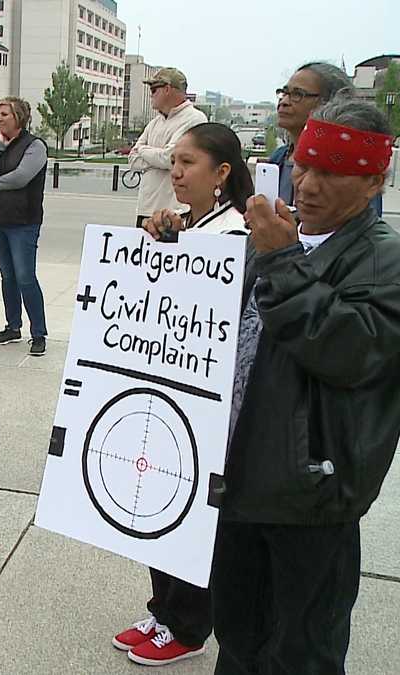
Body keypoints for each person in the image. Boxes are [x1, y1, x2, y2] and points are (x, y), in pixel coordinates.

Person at [212, 98, 399, 675]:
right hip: (240, 476)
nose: (309, 185)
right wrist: (172, 245)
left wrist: (284, 261)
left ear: (373, 182)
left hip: (312, 490)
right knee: (239, 632)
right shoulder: (275, 235)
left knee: (303, 649)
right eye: (303, 166)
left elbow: (348, 352)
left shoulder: (384, 260)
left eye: (331, 173)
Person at [122, 122, 254, 667]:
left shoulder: (236, 237)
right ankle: (165, 607)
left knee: (192, 513)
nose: (174, 172)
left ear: (222, 173)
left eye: (187, 163)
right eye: (172, 162)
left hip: (209, 404)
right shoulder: (190, 226)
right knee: (157, 497)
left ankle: (190, 622)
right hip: (165, 390)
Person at [0, 97, 50, 357]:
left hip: (23, 222)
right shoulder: (1, 146)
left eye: (4, 114)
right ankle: (12, 326)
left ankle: (38, 333)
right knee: (7, 276)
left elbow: (21, 177)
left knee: (25, 277)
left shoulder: (35, 146)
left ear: (18, 117)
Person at [269, 62, 384, 218]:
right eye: (284, 92)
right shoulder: (278, 158)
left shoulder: (351, 163)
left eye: (298, 94)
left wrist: (290, 242)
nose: (283, 102)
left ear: (330, 102)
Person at [128, 68, 208, 227]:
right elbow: (132, 160)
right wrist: (158, 156)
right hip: (146, 209)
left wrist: (143, 150)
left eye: (153, 89)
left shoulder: (194, 119)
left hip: (174, 214)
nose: (151, 95)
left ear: (167, 89)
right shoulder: (155, 123)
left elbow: (169, 159)